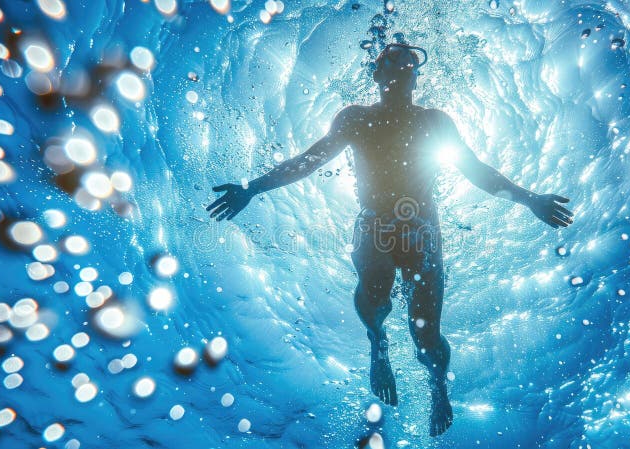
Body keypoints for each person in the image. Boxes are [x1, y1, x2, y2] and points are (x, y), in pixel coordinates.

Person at [207, 43, 574, 437]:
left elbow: (475, 171)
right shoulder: (354, 118)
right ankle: (377, 343)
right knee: (377, 285)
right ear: (376, 73)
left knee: (427, 336)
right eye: (392, 62)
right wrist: (253, 188)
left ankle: (437, 386)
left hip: (424, 233)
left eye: (409, 62)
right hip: (373, 226)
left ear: (417, 75)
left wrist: (529, 198)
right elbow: (308, 160)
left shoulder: (435, 121)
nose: (401, 67)